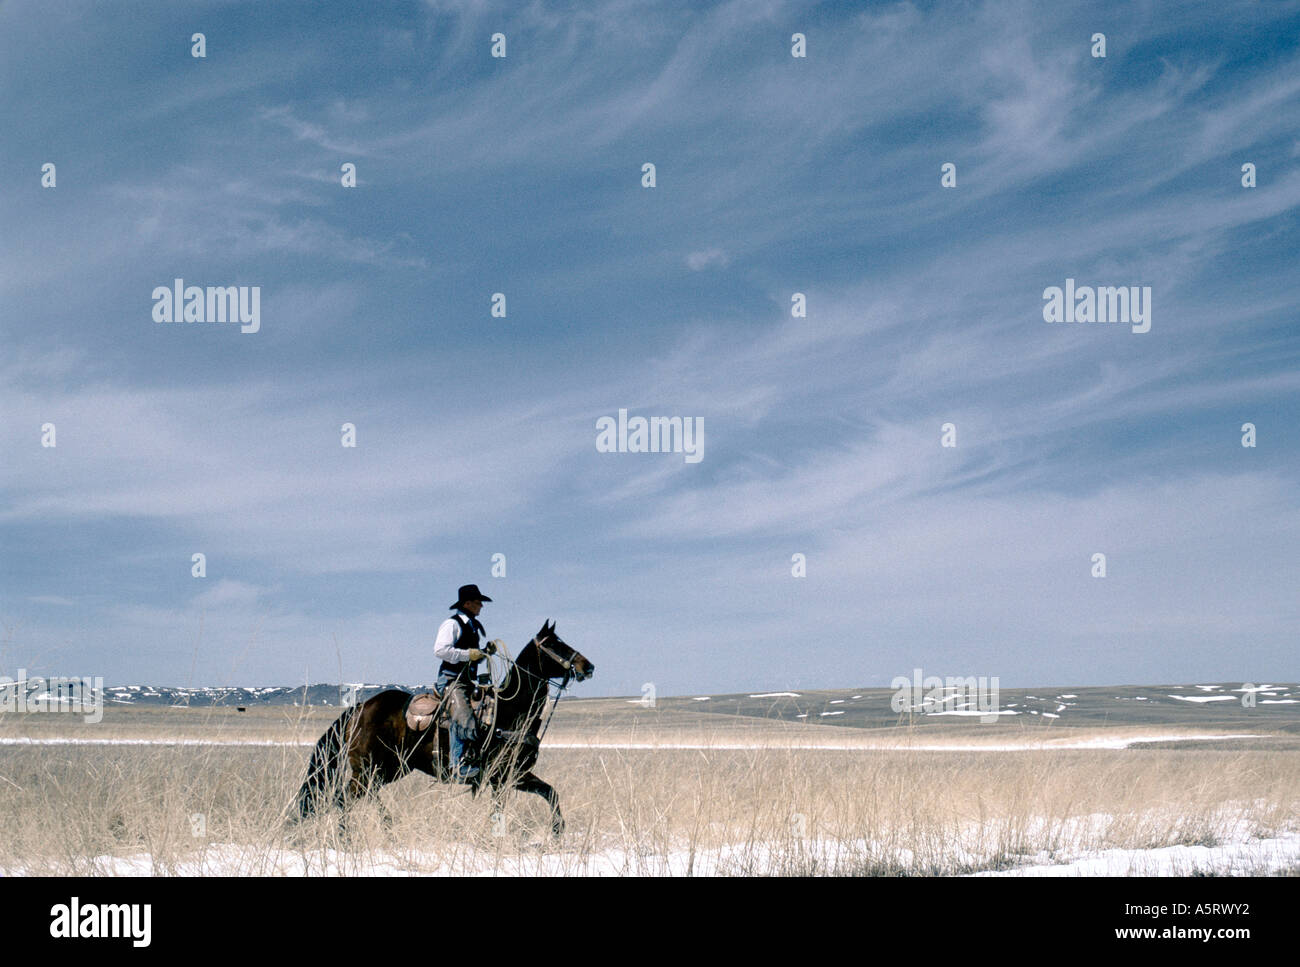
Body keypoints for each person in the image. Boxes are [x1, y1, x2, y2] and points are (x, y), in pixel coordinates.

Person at [433, 584, 493, 781]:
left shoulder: (472, 626)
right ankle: (457, 766)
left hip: (468, 682)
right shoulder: (452, 624)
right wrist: (469, 654)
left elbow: (471, 657)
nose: (481, 607)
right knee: (463, 716)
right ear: (467, 603)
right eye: (478, 603)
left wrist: (483, 653)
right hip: (451, 681)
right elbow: (440, 650)